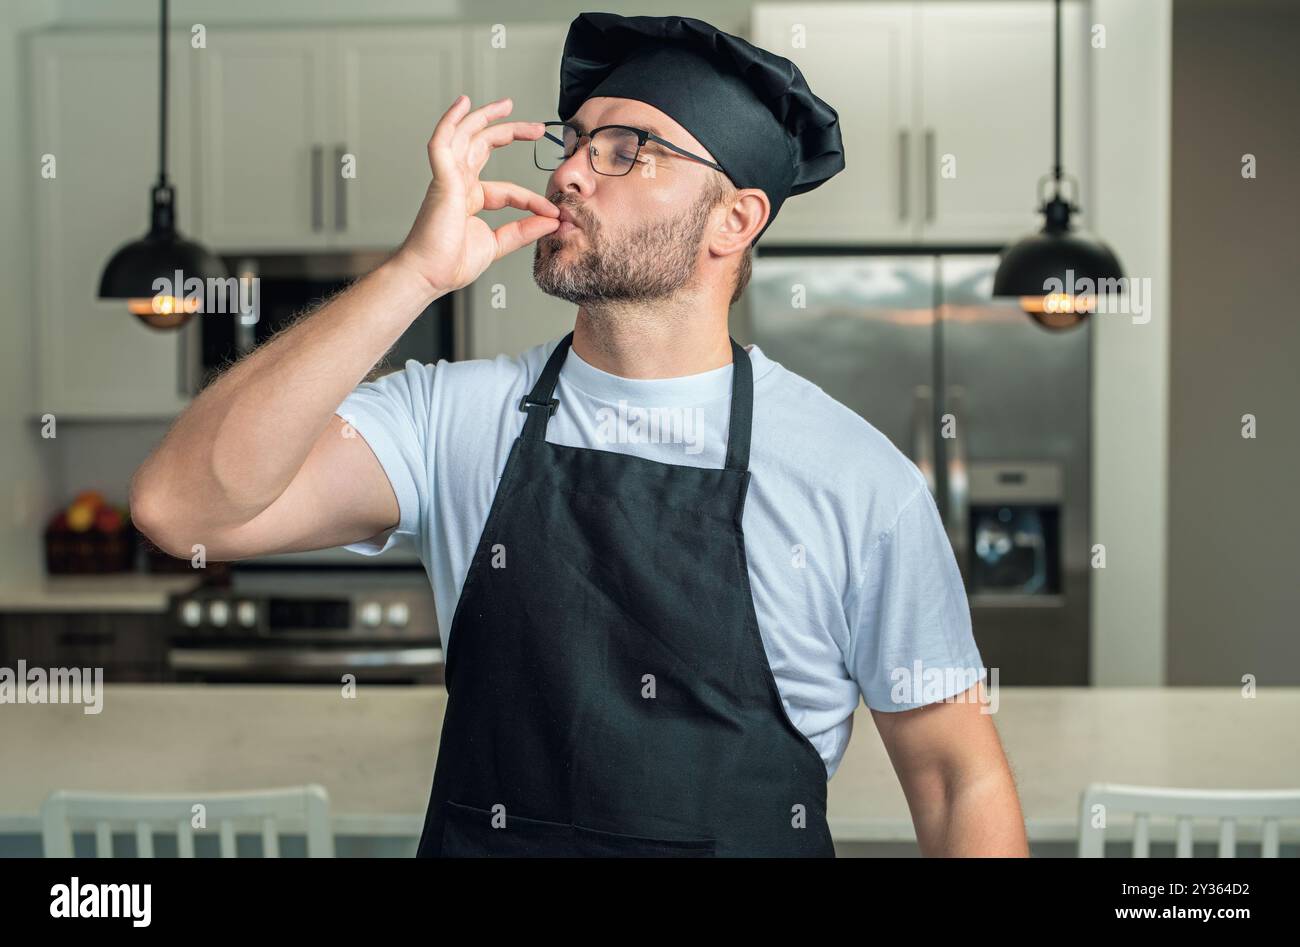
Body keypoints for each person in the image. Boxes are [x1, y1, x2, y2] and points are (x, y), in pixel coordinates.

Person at [131, 12, 1027, 857]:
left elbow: (957, 778)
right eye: (574, 141)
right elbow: (181, 509)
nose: (569, 173)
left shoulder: (854, 476)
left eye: (626, 150)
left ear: (735, 219)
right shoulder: (454, 419)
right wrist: (411, 276)